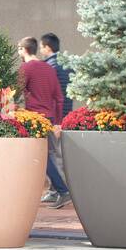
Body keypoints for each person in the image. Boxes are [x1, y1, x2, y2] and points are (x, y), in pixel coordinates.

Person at [18, 36, 71, 209]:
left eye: (19, 49)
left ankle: (63, 191)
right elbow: (59, 97)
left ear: (24, 50)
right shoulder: (48, 68)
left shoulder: (26, 68)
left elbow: (14, 93)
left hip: (34, 119)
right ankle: (57, 190)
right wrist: (56, 121)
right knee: (50, 155)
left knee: (41, 157)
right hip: (49, 118)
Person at [39, 33, 71, 204]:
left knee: (54, 154)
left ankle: (61, 190)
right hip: (65, 114)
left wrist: (56, 121)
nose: (41, 50)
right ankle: (55, 189)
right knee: (57, 153)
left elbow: (54, 96)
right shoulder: (66, 65)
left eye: (42, 47)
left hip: (55, 116)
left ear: (47, 47)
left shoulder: (50, 67)